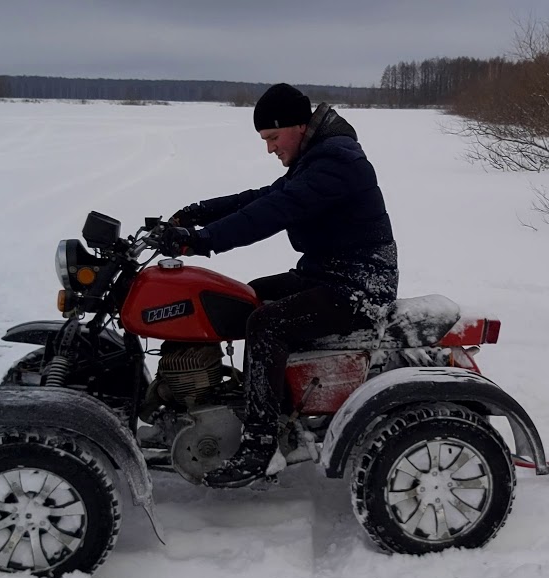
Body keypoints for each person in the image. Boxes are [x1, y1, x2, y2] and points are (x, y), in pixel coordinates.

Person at [163, 83, 399, 485]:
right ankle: (254, 401)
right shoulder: (318, 157)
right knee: (244, 298)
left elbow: (275, 210)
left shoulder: (337, 162)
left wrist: (202, 241)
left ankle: (260, 444)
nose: (269, 148)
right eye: (265, 140)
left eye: (272, 137)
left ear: (299, 126)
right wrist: (197, 213)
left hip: (358, 286)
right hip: (328, 273)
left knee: (267, 323)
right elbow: (262, 196)